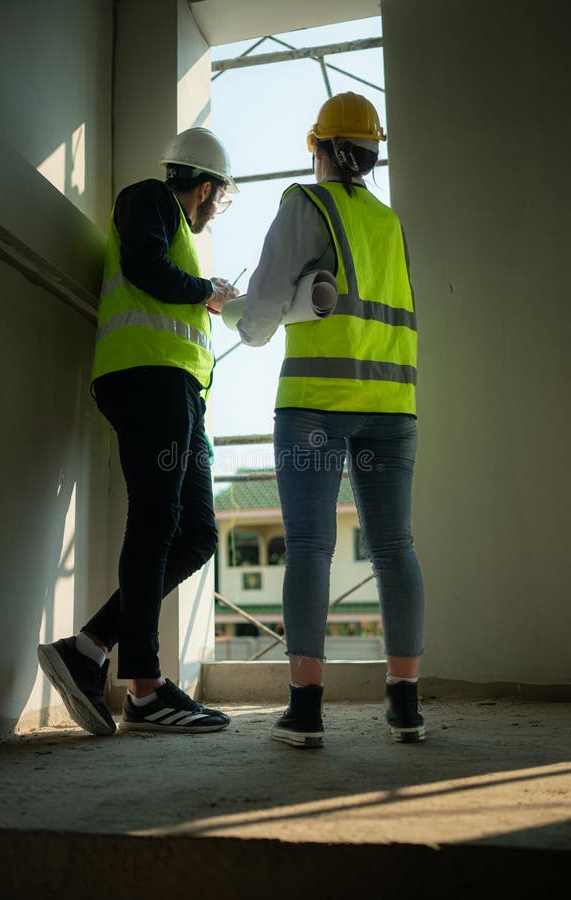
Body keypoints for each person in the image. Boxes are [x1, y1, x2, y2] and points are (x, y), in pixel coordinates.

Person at [237, 92, 425, 748]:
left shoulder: (305, 204)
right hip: (393, 408)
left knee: (313, 548)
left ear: (319, 147)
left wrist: (240, 317)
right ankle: (405, 705)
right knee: (395, 547)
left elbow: (261, 316)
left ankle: (306, 711)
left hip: (316, 405)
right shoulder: (389, 224)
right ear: (369, 154)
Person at [38, 127, 239, 736]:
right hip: (148, 382)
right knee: (156, 521)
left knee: (196, 533)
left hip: (178, 393)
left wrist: (204, 296)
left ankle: (89, 649)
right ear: (203, 187)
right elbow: (144, 267)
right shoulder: (148, 197)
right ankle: (146, 688)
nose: (211, 210)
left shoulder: (176, 228)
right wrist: (208, 292)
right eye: (216, 199)